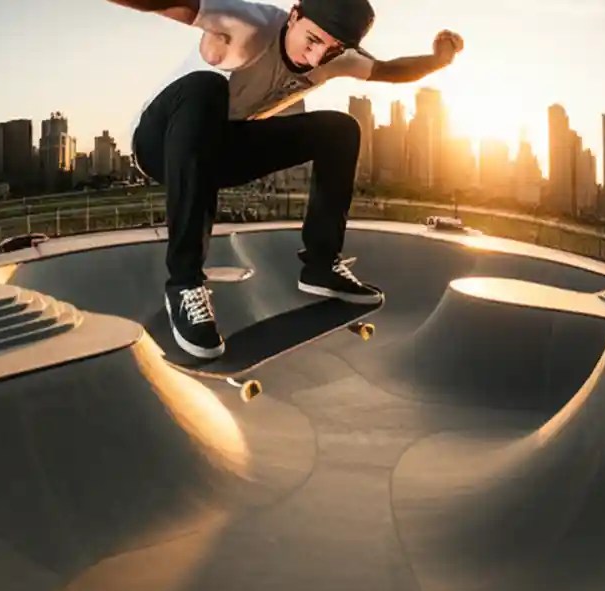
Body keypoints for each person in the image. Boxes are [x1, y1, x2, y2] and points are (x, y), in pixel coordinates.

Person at [109, 0, 464, 358]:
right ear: (293, 16)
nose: (314, 59)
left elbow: (388, 70)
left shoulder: (334, 57)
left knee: (340, 130)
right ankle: (185, 284)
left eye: (332, 51)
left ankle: (321, 266)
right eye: (311, 40)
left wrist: (439, 60)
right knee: (206, 86)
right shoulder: (247, 22)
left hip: (220, 153)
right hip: (159, 145)